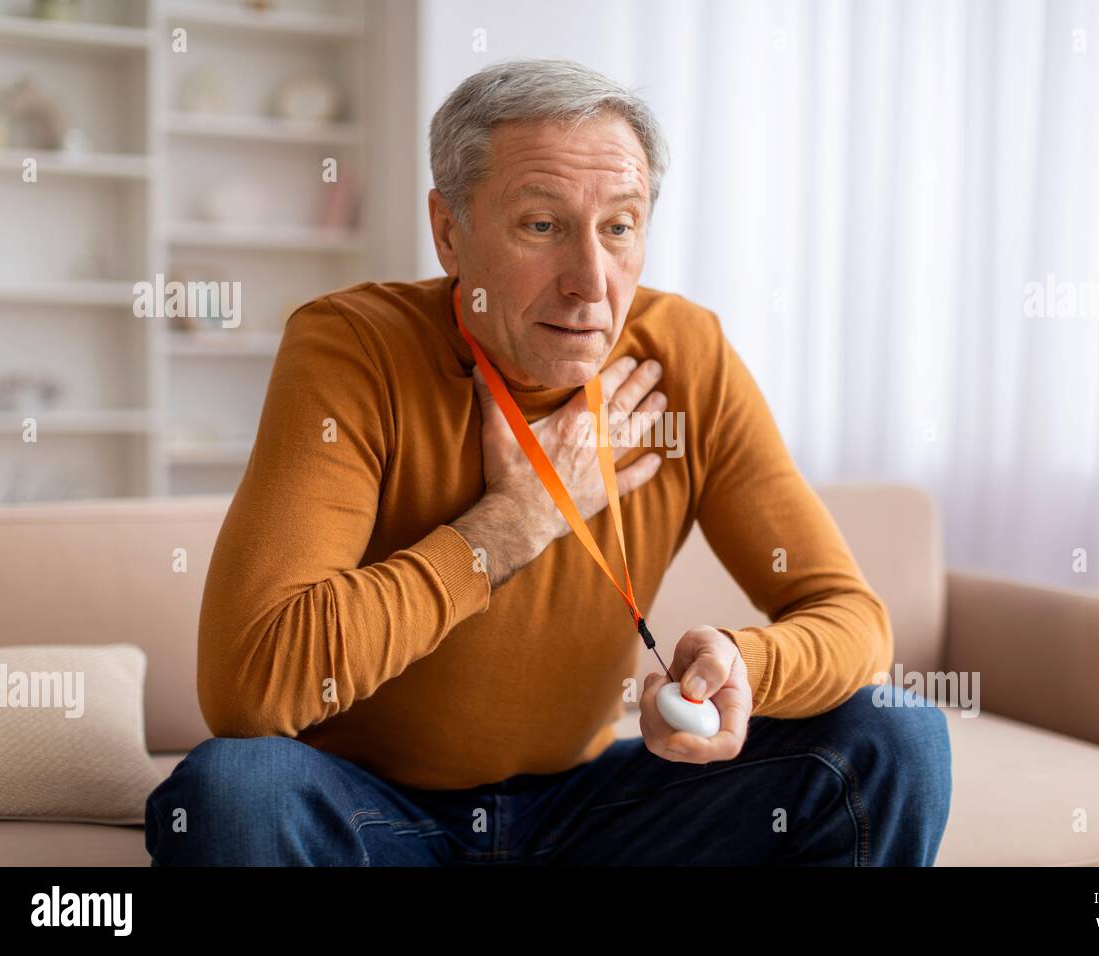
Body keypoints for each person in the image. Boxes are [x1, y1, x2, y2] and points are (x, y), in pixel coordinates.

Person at [145, 58, 951, 866]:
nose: (590, 283)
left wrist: (749, 665)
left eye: (619, 226)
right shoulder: (353, 347)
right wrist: (509, 524)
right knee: (234, 791)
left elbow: (855, 621)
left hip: (593, 813)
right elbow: (248, 686)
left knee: (896, 734)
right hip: (376, 817)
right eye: (542, 225)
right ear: (449, 231)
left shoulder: (685, 357)